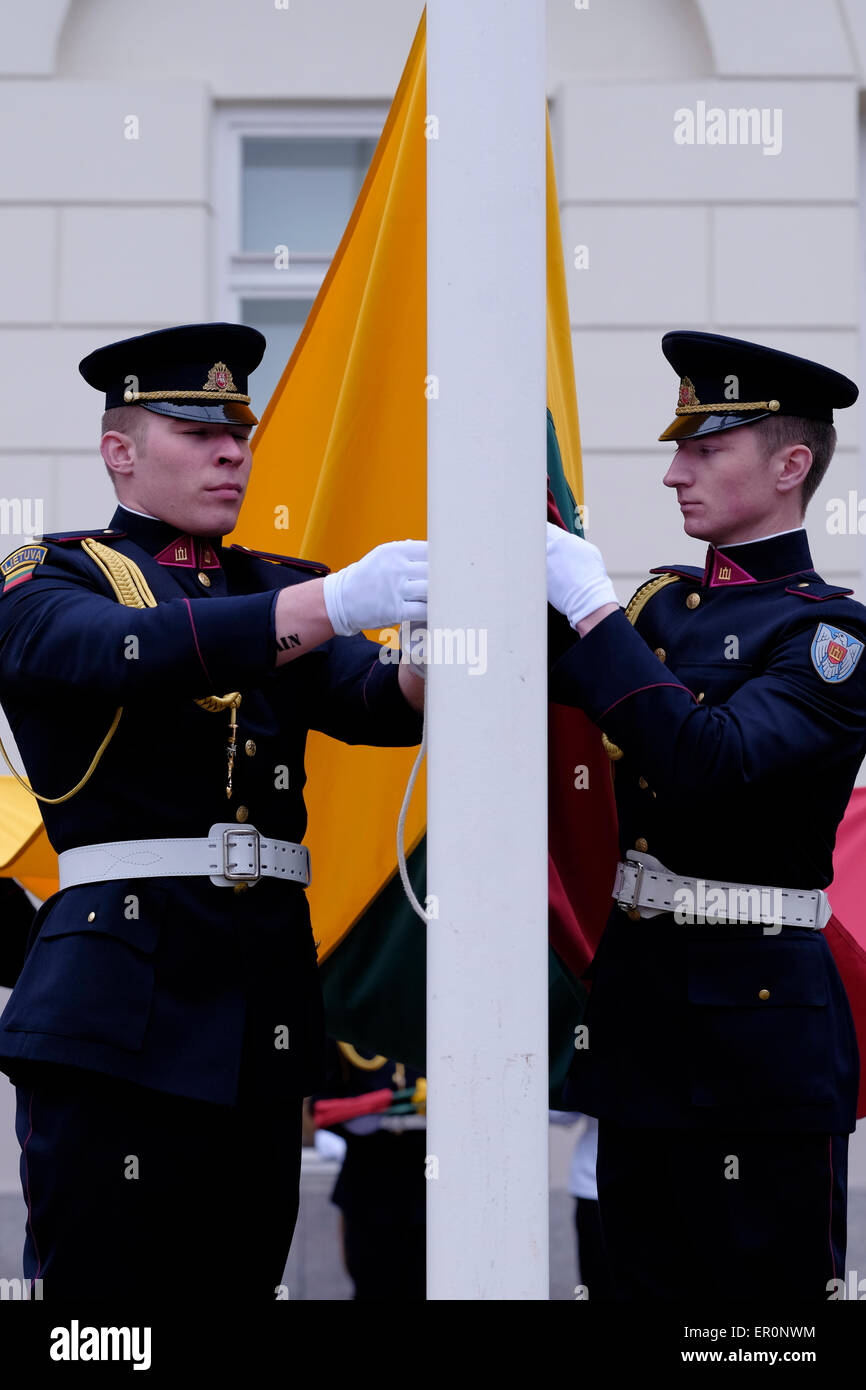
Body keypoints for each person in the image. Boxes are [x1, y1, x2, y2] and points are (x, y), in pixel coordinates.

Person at [0, 322, 427, 1300]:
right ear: (121, 451)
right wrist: (334, 601)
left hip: (259, 997)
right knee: (109, 1311)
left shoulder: (268, 583)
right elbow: (121, 650)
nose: (231, 449)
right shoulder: (49, 575)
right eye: (196, 431)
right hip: (119, 1003)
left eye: (238, 430)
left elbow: (378, 705)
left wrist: (443, 634)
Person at [546, 331, 865, 1300]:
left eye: (704, 448)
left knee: (755, 1319)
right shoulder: (657, 609)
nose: (672, 473)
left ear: (788, 464)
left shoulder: (826, 636)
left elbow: (707, 763)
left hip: (759, 1038)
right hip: (640, 1014)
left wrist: (591, 612)